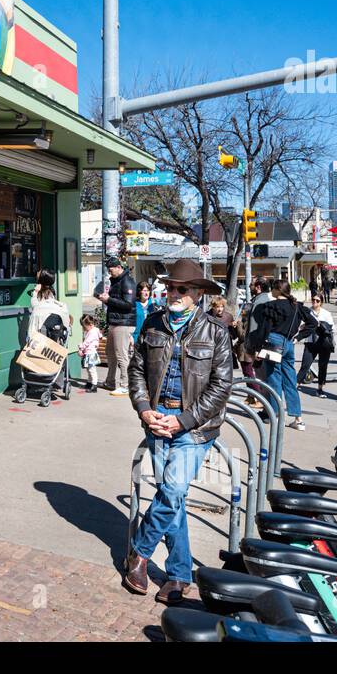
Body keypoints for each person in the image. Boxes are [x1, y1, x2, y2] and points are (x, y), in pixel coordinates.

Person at [124, 258, 231, 603]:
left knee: (171, 489)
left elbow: (221, 387)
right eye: (170, 287)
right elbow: (136, 371)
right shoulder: (153, 324)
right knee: (175, 500)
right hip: (157, 421)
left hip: (194, 428)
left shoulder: (215, 331)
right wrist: (144, 410)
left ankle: (139, 553)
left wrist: (183, 420)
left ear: (197, 294)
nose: (173, 293)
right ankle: (179, 575)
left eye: (181, 289)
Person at [250, 279, 316, 431]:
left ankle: (276, 415)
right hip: (288, 344)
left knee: (274, 380)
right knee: (290, 380)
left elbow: (264, 329)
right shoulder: (297, 306)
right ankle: (298, 418)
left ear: (278, 290)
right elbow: (314, 323)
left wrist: (258, 348)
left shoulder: (271, 306)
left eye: (273, 288)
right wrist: (298, 337)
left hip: (273, 342)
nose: (271, 291)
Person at [93, 255, 137, 396]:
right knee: (110, 353)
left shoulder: (127, 281)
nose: (109, 273)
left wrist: (109, 299)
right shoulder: (117, 281)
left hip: (123, 323)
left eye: (111, 270)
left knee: (121, 355)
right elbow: (117, 302)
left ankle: (125, 385)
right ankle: (110, 381)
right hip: (115, 322)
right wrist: (105, 299)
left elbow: (128, 305)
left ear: (119, 267)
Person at [297, 293, 336, 396]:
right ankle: (295, 385)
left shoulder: (326, 313)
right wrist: (306, 325)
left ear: (321, 302)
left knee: (323, 366)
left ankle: (320, 389)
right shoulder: (307, 312)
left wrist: (321, 325)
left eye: (317, 300)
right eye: (313, 300)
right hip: (310, 342)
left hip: (324, 343)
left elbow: (332, 328)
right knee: (305, 365)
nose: (315, 302)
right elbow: (300, 326)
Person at [28, 268, 71, 339]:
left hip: (42, 333)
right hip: (52, 333)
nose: (37, 272)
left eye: (39, 272)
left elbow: (36, 307)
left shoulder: (40, 293)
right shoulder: (51, 293)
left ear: (42, 277)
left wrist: (35, 292)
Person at [78, 314, 102, 393]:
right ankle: (89, 383)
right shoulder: (95, 330)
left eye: (84, 327)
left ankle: (94, 385)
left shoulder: (91, 332)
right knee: (89, 369)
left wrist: (81, 348)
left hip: (90, 353)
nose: (83, 328)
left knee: (92, 370)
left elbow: (87, 342)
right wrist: (97, 342)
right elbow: (100, 336)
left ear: (90, 324)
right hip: (90, 352)